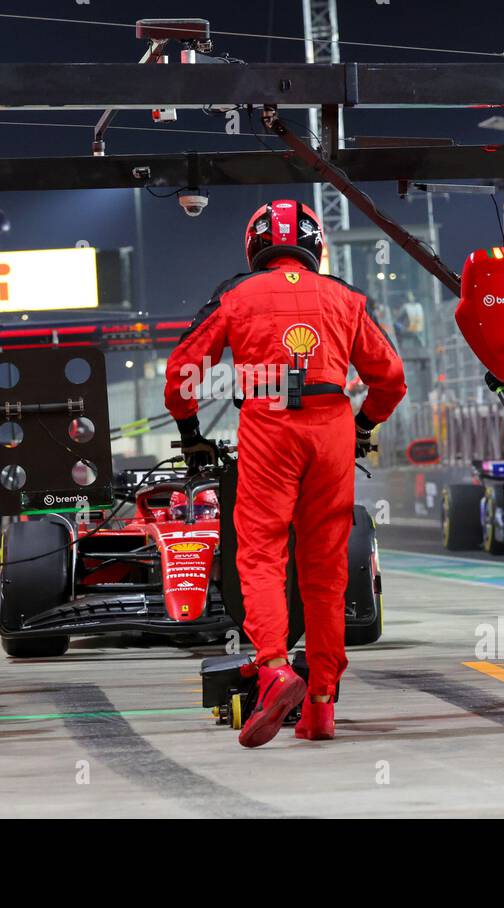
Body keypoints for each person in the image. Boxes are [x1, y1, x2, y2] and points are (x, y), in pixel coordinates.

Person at [163, 200, 406, 747]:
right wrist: (364, 423)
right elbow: (390, 378)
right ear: (316, 246)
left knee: (261, 551)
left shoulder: (235, 293)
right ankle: (320, 706)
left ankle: (274, 669)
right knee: (324, 568)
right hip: (333, 427)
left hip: (269, 423)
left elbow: (180, 375)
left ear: (254, 248)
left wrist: (191, 434)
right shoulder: (346, 296)